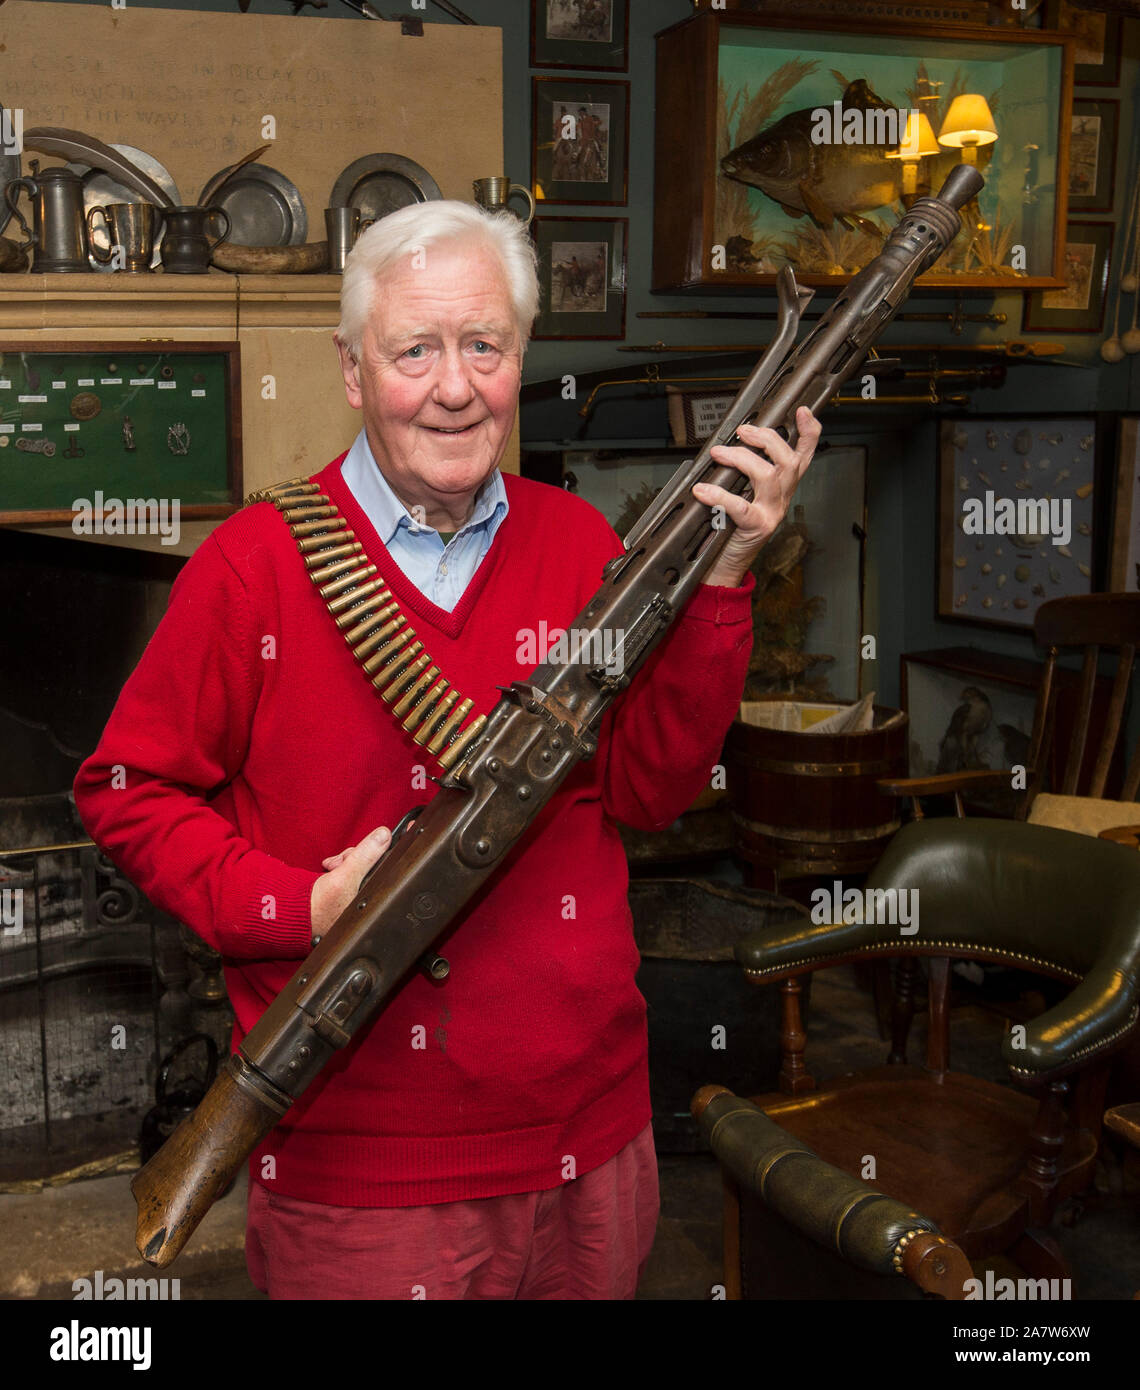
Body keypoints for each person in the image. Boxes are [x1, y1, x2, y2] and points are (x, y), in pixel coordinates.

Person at [73, 201, 821, 1300]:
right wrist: (302, 907)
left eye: (486, 347)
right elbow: (126, 790)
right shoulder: (255, 568)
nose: (456, 386)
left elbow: (653, 791)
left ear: (520, 360)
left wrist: (721, 577)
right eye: (415, 350)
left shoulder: (578, 542)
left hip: (591, 1136)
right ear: (352, 369)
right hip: (364, 1167)